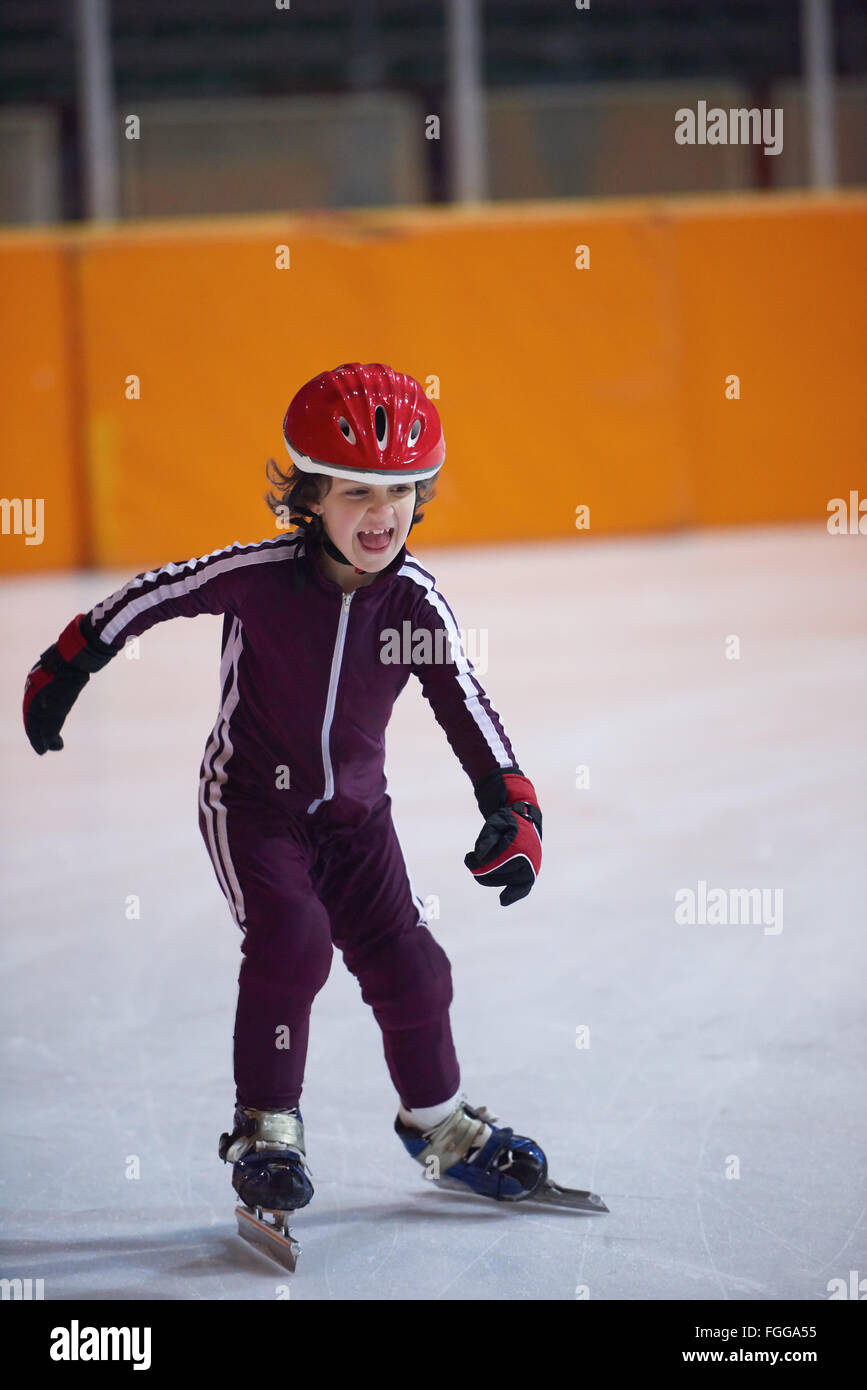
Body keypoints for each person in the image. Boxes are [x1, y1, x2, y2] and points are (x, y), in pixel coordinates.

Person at [22, 362, 547, 1212]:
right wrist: (70, 661)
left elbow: (464, 702)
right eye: (354, 493)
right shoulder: (261, 577)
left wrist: (510, 803)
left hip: (356, 820)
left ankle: (440, 1124)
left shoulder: (414, 606)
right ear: (308, 496)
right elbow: (153, 594)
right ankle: (266, 1128)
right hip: (252, 808)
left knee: (413, 969)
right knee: (293, 940)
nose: (381, 516)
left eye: (401, 492)